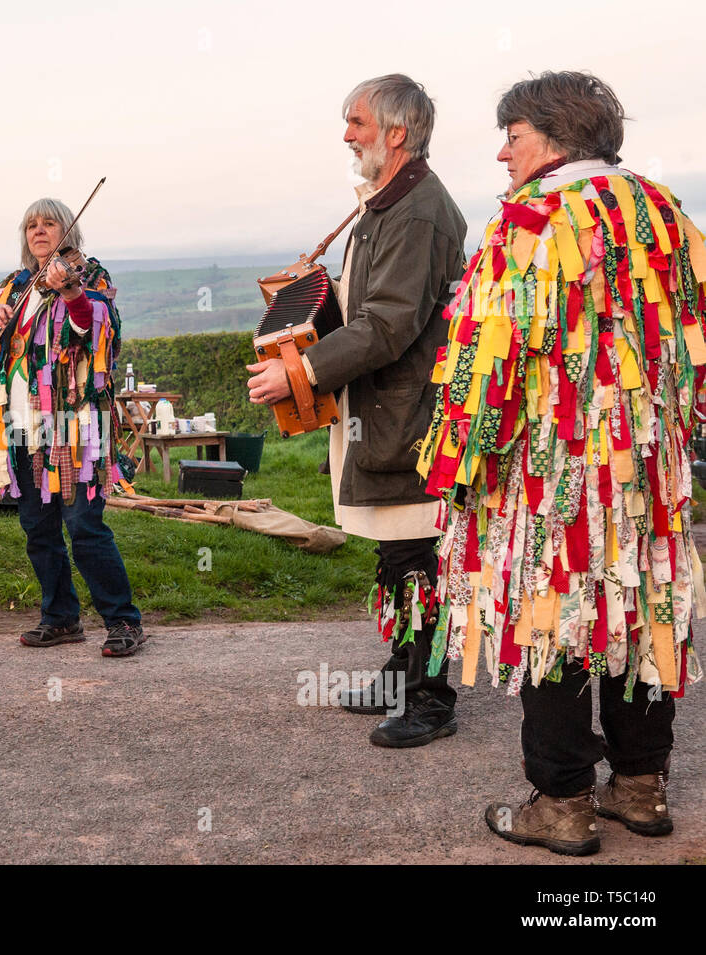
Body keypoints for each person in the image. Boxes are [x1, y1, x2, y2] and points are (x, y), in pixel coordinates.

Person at [417, 71, 704, 855]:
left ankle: (562, 801)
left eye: (512, 135)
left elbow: (487, 360)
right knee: (639, 610)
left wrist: (458, 462)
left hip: (552, 467)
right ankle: (641, 789)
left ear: (552, 135)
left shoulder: (531, 220)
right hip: (647, 468)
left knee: (555, 621)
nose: (502, 152)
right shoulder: (664, 212)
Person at [247, 75, 468, 746]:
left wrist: (302, 369)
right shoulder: (387, 201)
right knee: (395, 555)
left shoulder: (420, 209)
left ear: (397, 134)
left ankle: (431, 698)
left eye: (357, 122)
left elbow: (390, 323)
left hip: (408, 416)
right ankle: (402, 675)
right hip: (380, 410)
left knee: (415, 559)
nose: (347, 134)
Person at [0, 198, 144, 657]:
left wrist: (71, 293)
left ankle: (123, 620)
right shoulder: (13, 286)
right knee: (36, 528)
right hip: (19, 425)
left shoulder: (90, 277)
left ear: (69, 230)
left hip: (75, 425)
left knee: (83, 526)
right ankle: (60, 618)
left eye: (49, 223)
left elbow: (100, 330)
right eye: (31, 225)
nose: (38, 231)